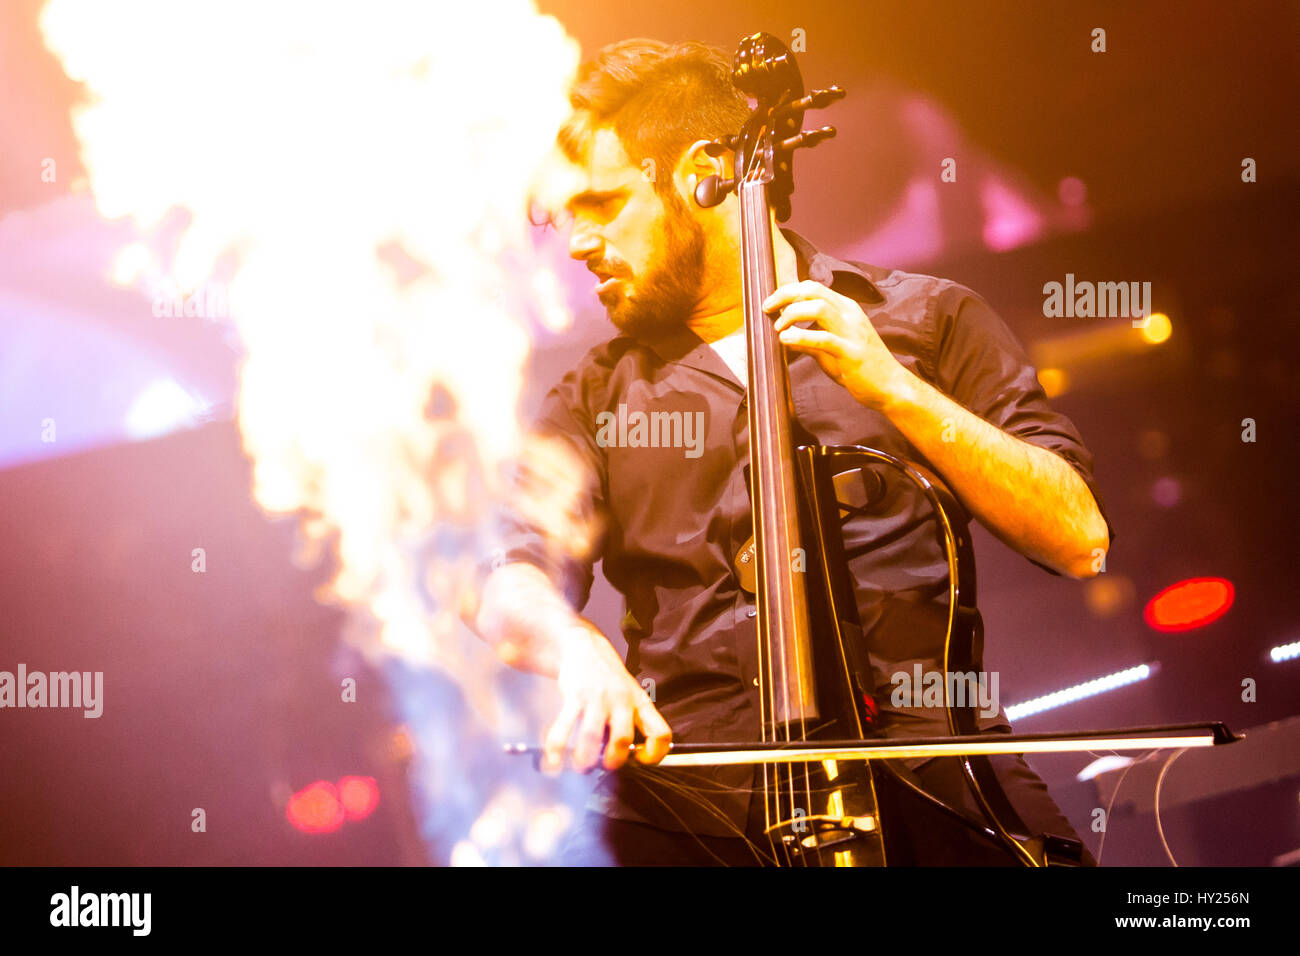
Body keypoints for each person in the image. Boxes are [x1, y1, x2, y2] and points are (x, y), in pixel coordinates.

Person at [467, 38, 1114, 865]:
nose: (580, 242)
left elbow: (1080, 536)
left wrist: (893, 388)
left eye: (601, 203)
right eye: (565, 217)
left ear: (704, 173)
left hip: (930, 770)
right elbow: (503, 580)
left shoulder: (925, 321)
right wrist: (577, 650)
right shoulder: (595, 397)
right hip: (692, 801)